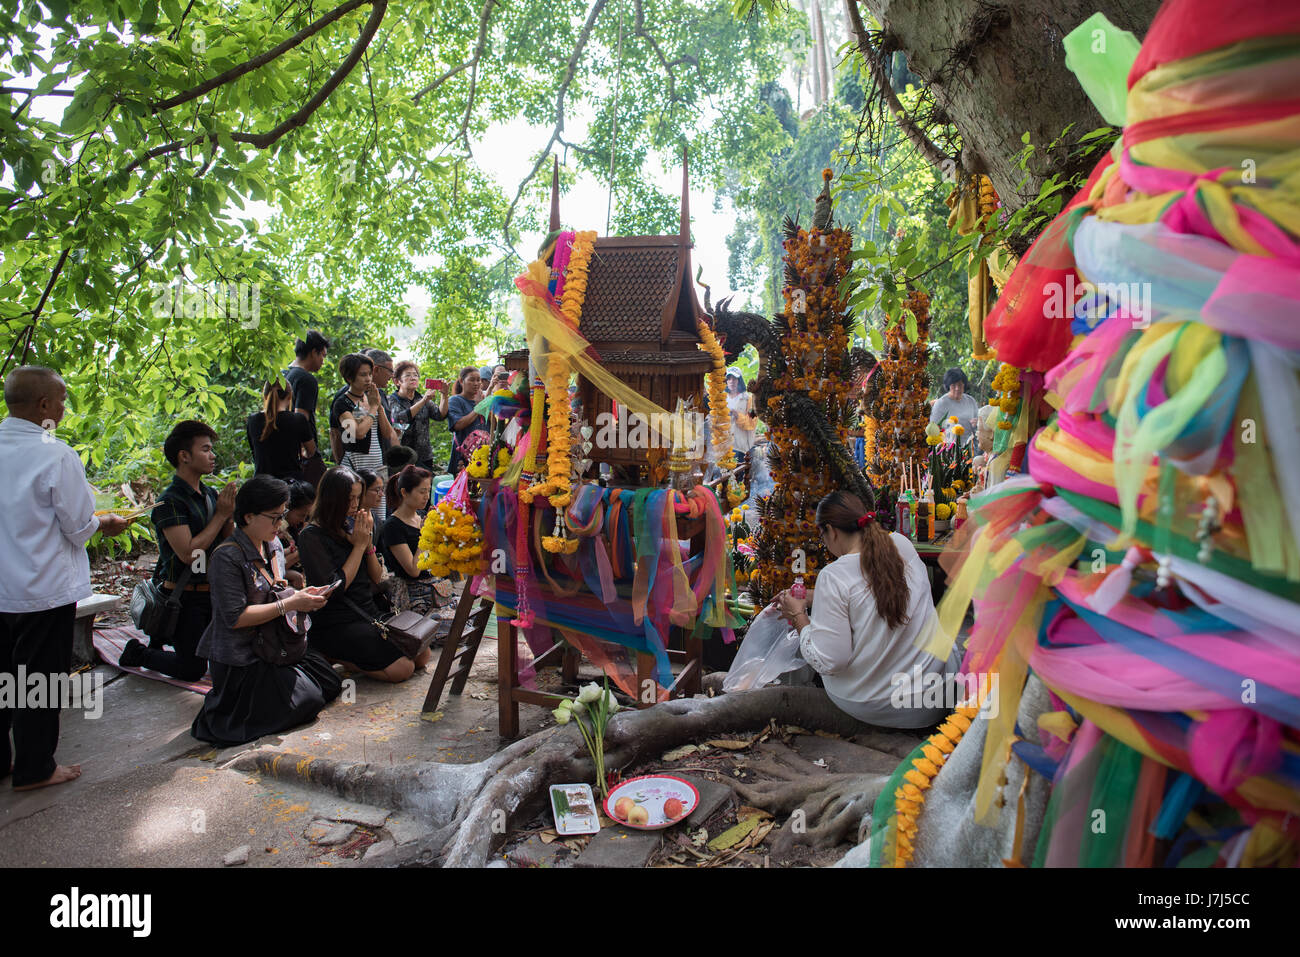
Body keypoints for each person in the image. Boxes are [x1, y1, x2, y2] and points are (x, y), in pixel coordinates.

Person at [0, 366, 130, 790]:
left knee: (3, 675)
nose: (63, 407)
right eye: (60, 400)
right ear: (42, 405)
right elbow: (78, 527)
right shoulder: (55, 453)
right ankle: (35, 767)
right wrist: (106, 522)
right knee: (38, 680)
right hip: (42, 589)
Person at [772, 490, 959, 728]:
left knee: (817, 648)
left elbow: (830, 661)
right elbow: (868, 596)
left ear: (831, 531)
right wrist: (812, 598)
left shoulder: (834, 576)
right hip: (934, 697)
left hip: (878, 704)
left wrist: (798, 616)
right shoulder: (901, 545)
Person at [190, 476, 342, 746]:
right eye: (274, 517)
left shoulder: (273, 546)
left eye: (282, 515)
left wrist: (302, 595)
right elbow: (236, 618)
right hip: (243, 656)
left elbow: (275, 592)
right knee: (308, 700)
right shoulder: (226, 557)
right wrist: (292, 603)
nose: (280, 525)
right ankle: (221, 715)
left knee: (330, 682)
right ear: (248, 516)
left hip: (275, 644)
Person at [120, 421, 236, 679]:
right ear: (184, 456)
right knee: (192, 669)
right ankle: (139, 653)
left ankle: (165, 639)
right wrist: (220, 517)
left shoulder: (210, 494)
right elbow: (189, 553)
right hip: (185, 598)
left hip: (213, 591)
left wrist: (229, 517)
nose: (213, 455)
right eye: (205, 449)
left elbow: (227, 539)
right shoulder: (169, 501)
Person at [297, 467, 431, 681]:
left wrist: (367, 546)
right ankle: (336, 656)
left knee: (422, 653)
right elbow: (335, 589)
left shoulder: (352, 525)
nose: (353, 505)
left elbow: (377, 577)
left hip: (368, 611)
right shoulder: (311, 536)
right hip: (337, 620)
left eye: (357, 498)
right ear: (332, 499)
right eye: (349, 499)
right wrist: (358, 547)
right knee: (402, 669)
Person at [329, 353, 392, 525]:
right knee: (355, 511)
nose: (368, 379)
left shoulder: (372, 397)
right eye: (363, 375)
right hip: (356, 461)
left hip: (377, 461)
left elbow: (387, 433)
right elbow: (357, 433)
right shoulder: (342, 403)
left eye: (370, 374)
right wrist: (372, 408)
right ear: (349, 377)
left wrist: (378, 407)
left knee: (379, 512)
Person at [379, 466, 438, 614]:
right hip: (413, 593)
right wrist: (425, 534)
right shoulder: (392, 526)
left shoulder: (422, 515)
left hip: (435, 587)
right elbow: (413, 570)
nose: (426, 496)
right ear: (404, 492)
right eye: (422, 491)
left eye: (428, 491)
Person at [246, 379, 315, 481]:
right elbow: (311, 451)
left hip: (262, 484)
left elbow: (254, 452)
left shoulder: (253, 420)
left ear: (265, 396)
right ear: (289, 396)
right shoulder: (298, 419)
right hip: (291, 484)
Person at [283, 330, 330, 482]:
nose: (323, 360)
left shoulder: (282, 374)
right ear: (313, 353)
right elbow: (301, 417)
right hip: (300, 455)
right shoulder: (306, 379)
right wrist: (310, 453)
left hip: (282, 450)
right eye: (322, 355)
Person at [387, 361, 447, 472]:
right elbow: (400, 419)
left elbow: (440, 415)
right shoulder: (391, 400)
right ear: (397, 381)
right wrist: (424, 400)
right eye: (408, 375)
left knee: (424, 487)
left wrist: (444, 395)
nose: (413, 378)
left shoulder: (421, 398)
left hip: (424, 456)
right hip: (402, 457)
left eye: (415, 375)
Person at [446, 366, 486, 475]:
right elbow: (457, 424)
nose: (476, 383)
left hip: (483, 458)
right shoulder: (455, 400)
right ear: (461, 381)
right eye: (472, 380)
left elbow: (493, 426)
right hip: (462, 459)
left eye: (478, 380)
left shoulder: (483, 400)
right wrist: (478, 407)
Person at [929, 368, 979, 447]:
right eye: (953, 385)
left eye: (960, 384)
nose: (957, 388)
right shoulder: (940, 404)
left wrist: (977, 424)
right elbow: (933, 430)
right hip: (948, 449)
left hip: (969, 448)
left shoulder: (971, 401)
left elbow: (978, 427)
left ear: (964, 385)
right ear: (948, 386)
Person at [725, 368, 758, 456]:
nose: (732, 381)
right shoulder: (722, 399)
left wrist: (737, 415)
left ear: (739, 381)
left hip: (740, 447)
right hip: (724, 446)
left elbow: (751, 423)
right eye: (729, 378)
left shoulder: (748, 399)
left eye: (735, 378)